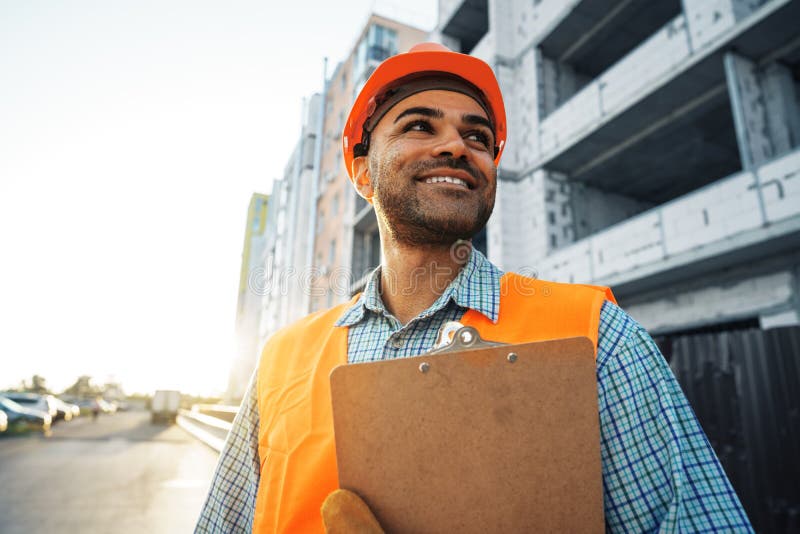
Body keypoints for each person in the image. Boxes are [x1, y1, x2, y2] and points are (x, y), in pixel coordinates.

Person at [195, 43, 752, 533]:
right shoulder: (281, 361)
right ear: (363, 175)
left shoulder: (597, 338)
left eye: (476, 136)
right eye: (419, 125)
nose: (457, 147)